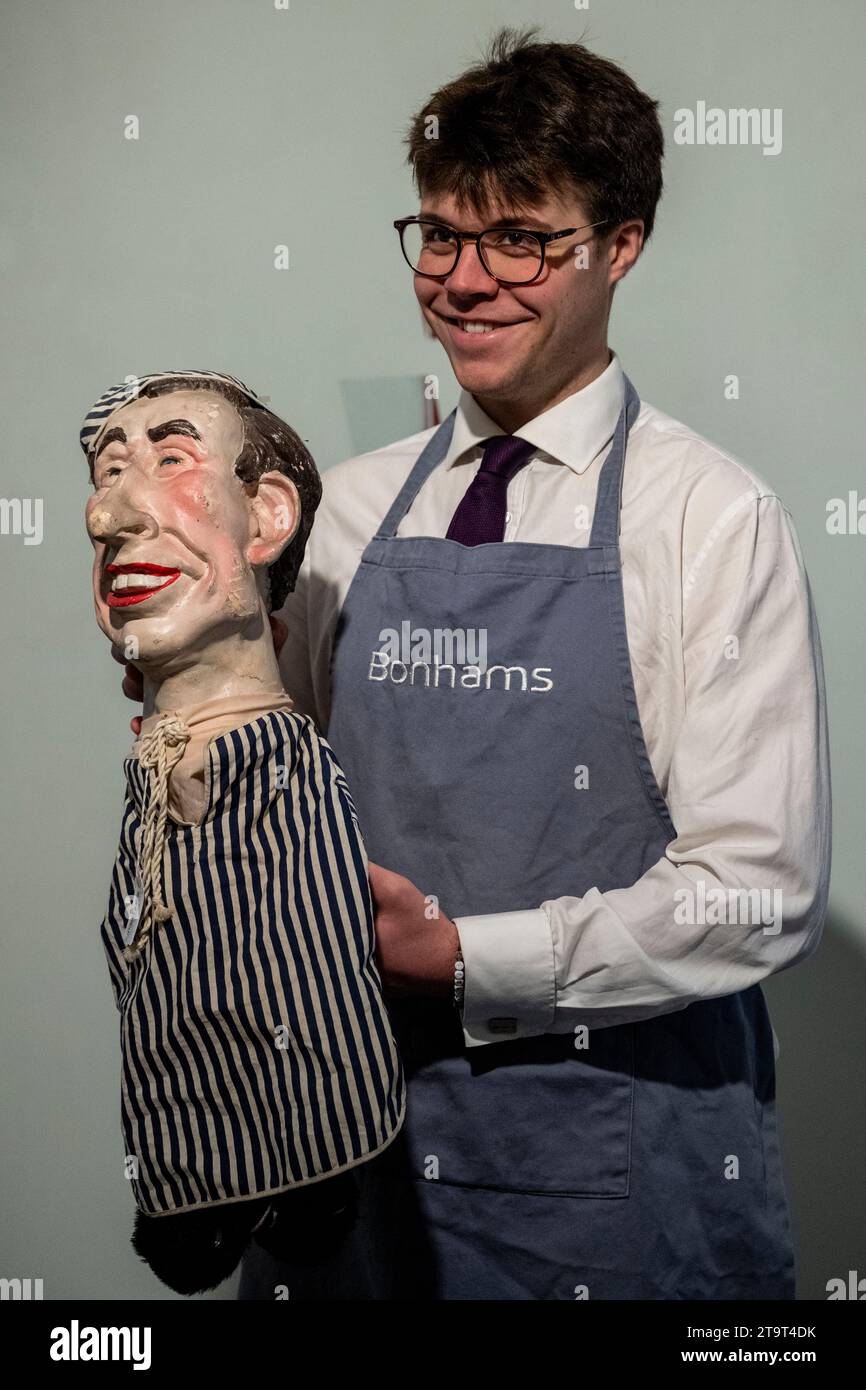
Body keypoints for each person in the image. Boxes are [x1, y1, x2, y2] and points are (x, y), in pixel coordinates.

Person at [122, 30, 830, 1300]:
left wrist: (458, 954)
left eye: (519, 239)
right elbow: (261, 802)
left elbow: (754, 887)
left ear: (620, 244)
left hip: (605, 1181)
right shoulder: (338, 512)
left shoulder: (709, 521)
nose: (466, 278)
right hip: (335, 1150)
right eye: (440, 235)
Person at [85, 371, 405, 1293]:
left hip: (237, 738)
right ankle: (190, 1181)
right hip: (163, 765)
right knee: (156, 979)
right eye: (106, 476)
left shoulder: (286, 774)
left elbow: (320, 967)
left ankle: (318, 1159)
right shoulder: (150, 770)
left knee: (299, 959)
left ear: (267, 515)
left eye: (171, 460)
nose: (110, 516)